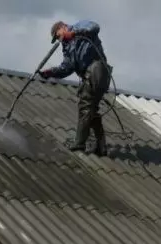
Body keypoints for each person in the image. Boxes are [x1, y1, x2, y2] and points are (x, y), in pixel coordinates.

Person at [38, 20, 112, 156]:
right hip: (88, 75)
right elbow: (67, 67)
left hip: (97, 70)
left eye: (58, 35)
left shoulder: (79, 27)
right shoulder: (66, 46)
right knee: (91, 109)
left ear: (62, 27)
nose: (59, 39)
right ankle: (101, 146)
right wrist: (50, 72)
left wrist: (72, 33)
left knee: (85, 106)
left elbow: (95, 27)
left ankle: (79, 144)